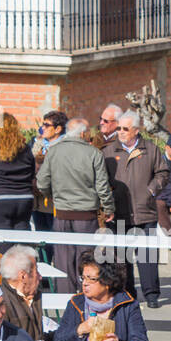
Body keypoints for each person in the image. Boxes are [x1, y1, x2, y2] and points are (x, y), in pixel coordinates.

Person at [35, 117, 115, 294]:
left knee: (63, 260)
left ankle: (65, 299)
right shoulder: (94, 153)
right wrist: (108, 208)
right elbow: (102, 185)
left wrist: (52, 196)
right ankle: (85, 294)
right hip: (86, 214)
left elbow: (41, 181)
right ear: (82, 133)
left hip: (62, 213)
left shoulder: (54, 151)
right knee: (86, 259)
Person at [102, 111, 168, 307]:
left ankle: (152, 295)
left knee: (147, 256)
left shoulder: (150, 149)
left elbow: (163, 172)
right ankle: (129, 293)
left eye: (125, 129)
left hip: (145, 211)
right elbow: (101, 178)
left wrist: (151, 189)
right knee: (122, 257)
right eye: (119, 128)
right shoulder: (108, 151)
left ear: (136, 130)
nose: (120, 132)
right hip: (119, 211)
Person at [54, 253, 150, 341]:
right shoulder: (76, 303)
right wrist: (80, 330)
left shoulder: (128, 305)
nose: (85, 283)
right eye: (83, 278)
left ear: (108, 282)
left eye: (91, 279)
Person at [0, 244, 52, 341]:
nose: (40, 277)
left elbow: (38, 338)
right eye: (36, 271)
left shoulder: (34, 297)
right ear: (23, 276)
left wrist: (75, 333)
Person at [31, 110, 66, 231]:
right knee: (41, 241)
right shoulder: (38, 144)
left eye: (47, 125)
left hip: (55, 203)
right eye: (43, 124)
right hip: (37, 202)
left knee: (55, 241)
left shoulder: (65, 146)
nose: (42, 128)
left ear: (58, 129)